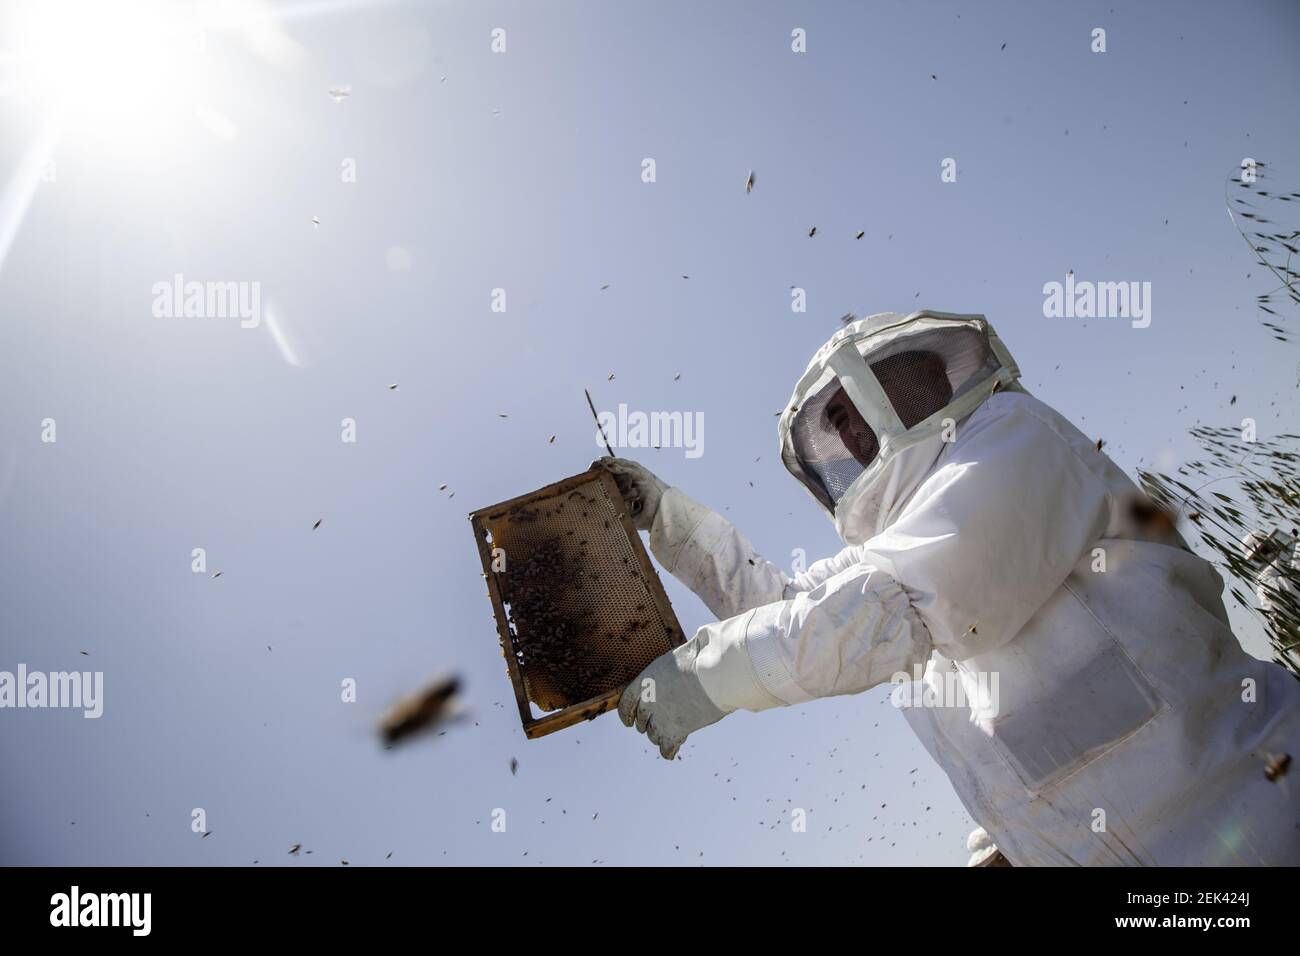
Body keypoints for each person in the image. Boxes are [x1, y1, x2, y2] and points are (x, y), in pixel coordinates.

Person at [595, 309, 1300, 866]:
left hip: (1262, 811)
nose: (844, 429)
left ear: (923, 376)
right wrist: (666, 518)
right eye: (831, 421)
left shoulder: (1012, 441)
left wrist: (699, 679)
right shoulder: (895, 547)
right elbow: (786, 617)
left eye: (852, 402)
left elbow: (872, 614)